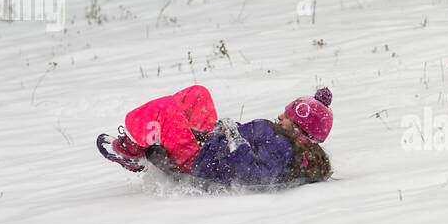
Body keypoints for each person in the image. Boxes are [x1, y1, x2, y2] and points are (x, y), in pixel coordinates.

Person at [97, 85, 333, 186]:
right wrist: (220, 133)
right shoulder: (281, 139)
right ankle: (170, 133)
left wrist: (234, 138)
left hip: (199, 162)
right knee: (198, 95)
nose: (280, 117)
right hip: (210, 147)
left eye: (287, 118)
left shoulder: (282, 149)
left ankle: (130, 151)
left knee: (165, 109)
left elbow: (251, 174)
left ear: (301, 132)